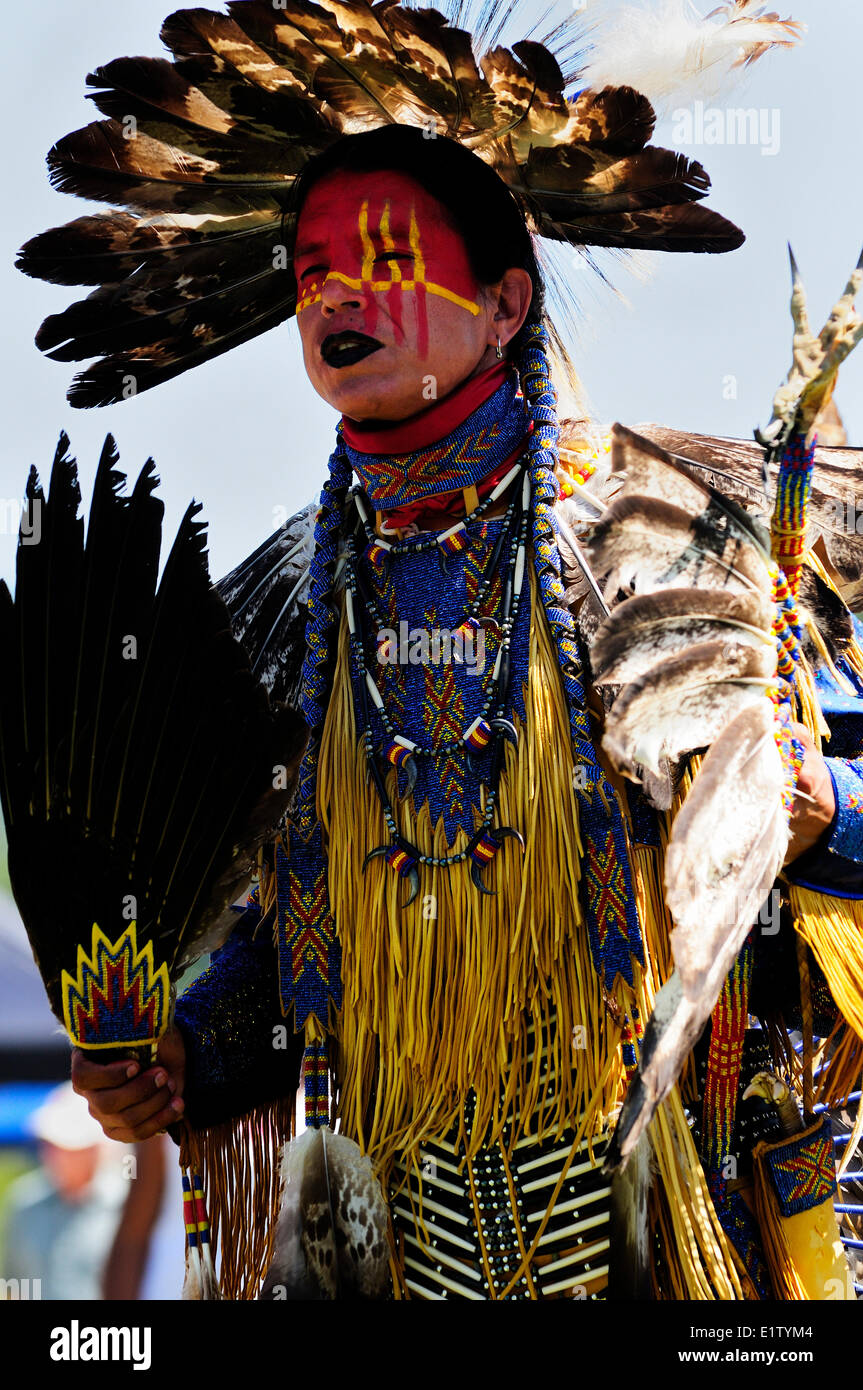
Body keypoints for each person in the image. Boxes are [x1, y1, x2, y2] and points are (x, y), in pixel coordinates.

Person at [22, 2, 861, 1298]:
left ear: (502, 296)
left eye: (380, 256)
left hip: (665, 1226)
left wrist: (817, 820)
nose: (333, 293)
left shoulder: (668, 539)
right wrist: (184, 1054)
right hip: (404, 1236)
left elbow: (837, 808)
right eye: (307, 269)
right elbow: (291, 941)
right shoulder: (295, 605)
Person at [2, 1083, 125, 1301]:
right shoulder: (24, 1204)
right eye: (51, 1145)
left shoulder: (126, 1207)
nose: (56, 1155)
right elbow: (13, 1286)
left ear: (94, 1150)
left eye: (68, 1148)